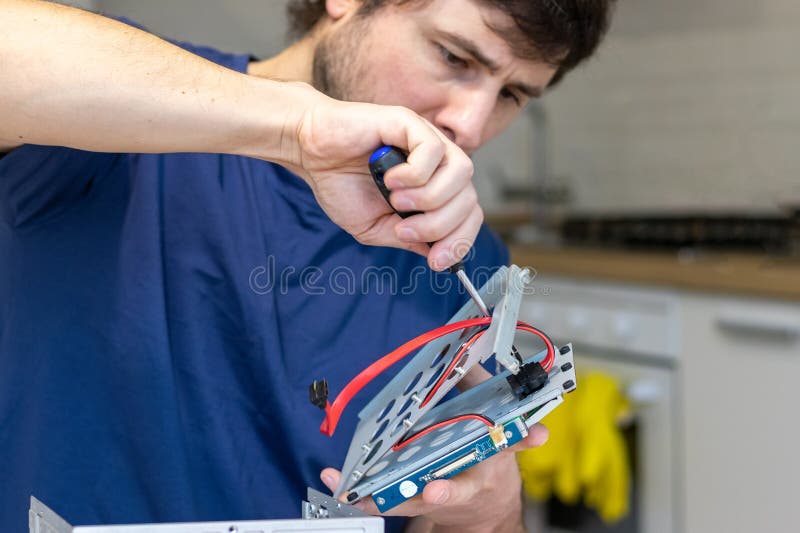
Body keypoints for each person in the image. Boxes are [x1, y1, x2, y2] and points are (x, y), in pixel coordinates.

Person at [0, 1, 614, 532]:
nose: (471, 125)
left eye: (511, 94)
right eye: (454, 57)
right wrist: (299, 127)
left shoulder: (464, 258)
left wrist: (490, 514)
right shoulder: (121, 131)